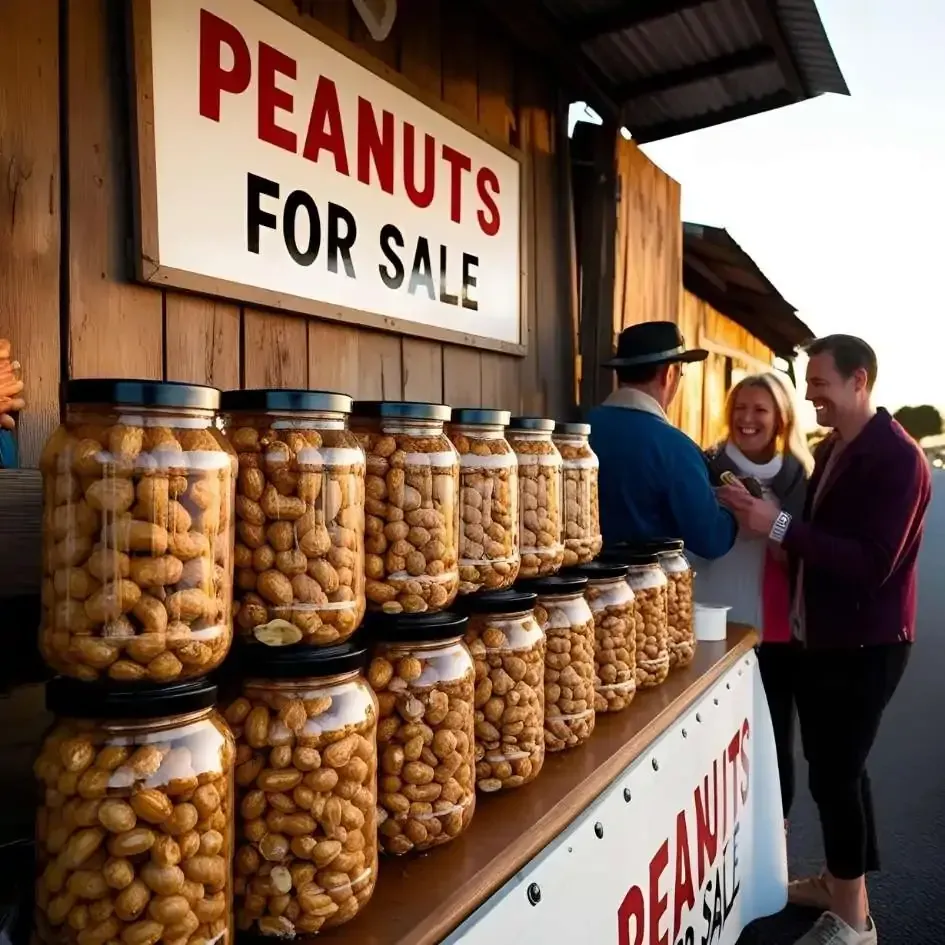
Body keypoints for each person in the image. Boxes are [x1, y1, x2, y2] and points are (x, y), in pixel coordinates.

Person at [719, 335, 931, 945]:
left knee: (835, 775)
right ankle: (841, 886)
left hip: (868, 644)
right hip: (827, 639)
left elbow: (872, 563)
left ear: (859, 381)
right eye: (808, 383)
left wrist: (777, 523)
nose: (809, 394)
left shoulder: (897, 458)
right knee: (841, 771)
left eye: (820, 384)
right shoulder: (834, 447)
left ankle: (854, 923)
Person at [693, 372, 812, 828]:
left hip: (775, 627)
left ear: (780, 417)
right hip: (713, 616)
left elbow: (802, 553)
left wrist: (768, 519)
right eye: (740, 408)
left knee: (773, 734)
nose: (747, 419)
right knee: (711, 733)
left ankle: (772, 833)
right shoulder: (704, 463)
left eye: (760, 409)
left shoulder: (798, 475)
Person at [588, 321, 736, 559]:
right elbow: (712, 539)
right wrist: (732, 508)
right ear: (669, 374)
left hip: (574, 587)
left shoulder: (579, 429)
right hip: (647, 588)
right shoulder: (675, 449)